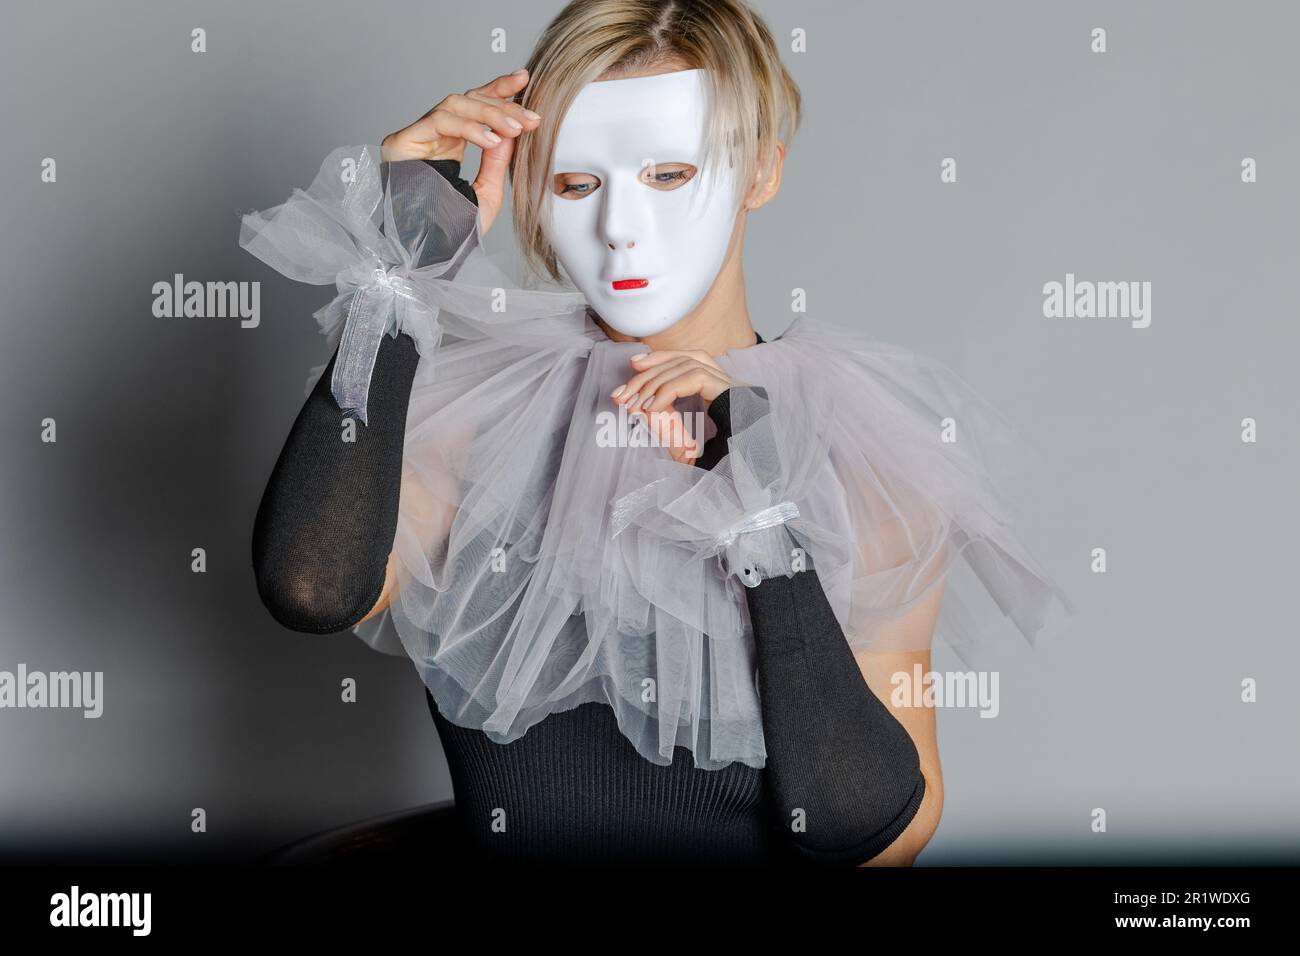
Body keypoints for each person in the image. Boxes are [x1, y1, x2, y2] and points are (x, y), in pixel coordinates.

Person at [242, 0, 1068, 867]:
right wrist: (397, 272)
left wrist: (764, 522)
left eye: (669, 175)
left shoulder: (867, 452)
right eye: (576, 182)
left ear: (760, 172)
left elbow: (876, 835)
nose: (619, 226)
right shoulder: (480, 413)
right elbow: (310, 588)